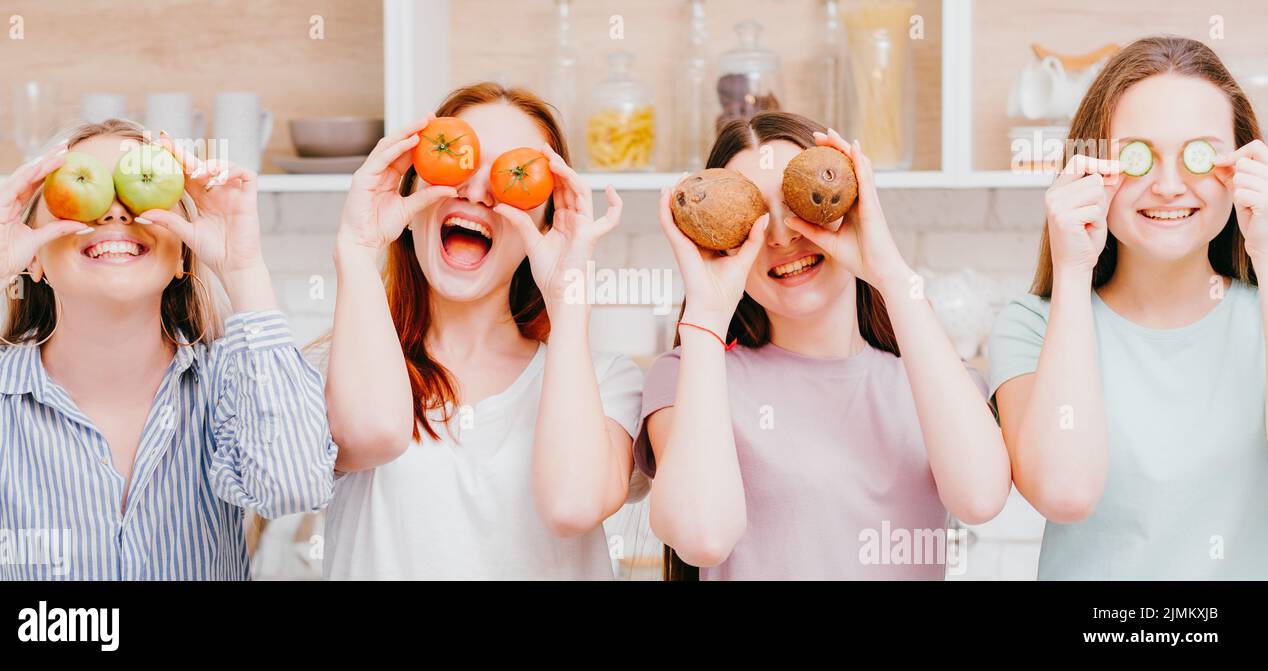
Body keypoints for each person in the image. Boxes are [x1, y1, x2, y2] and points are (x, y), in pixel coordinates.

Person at [638, 111, 1011, 580]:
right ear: (718, 241)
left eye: (800, 207)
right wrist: (706, 316)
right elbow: (703, 537)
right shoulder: (691, 374)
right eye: (752, 221)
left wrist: (889, 275)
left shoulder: (930, 377)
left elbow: (979, 497)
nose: (780, 236)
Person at [0, 119, 336, 580]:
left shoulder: (228, 381)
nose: (114, 212)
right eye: (87, 190)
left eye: (137, 188)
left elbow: (293, 487)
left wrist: (242, 268)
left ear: (183, 252)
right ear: (33, 257)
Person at [322, 83, 644, 579]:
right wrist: (357, 248)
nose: (477, 191)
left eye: (512, 176)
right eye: (454, 162)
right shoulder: (335, 369)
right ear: (410, 200)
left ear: (545, 224)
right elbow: (370, 434)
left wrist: (568, 295)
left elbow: (572, 505)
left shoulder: (603, 382)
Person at [989, 35, 1268, 579]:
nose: (1168, 185)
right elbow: (1064, 492)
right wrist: (1072, 268)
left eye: (1200, 154)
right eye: (1139, 156)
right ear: (1090, 169)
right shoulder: (1032, 327)